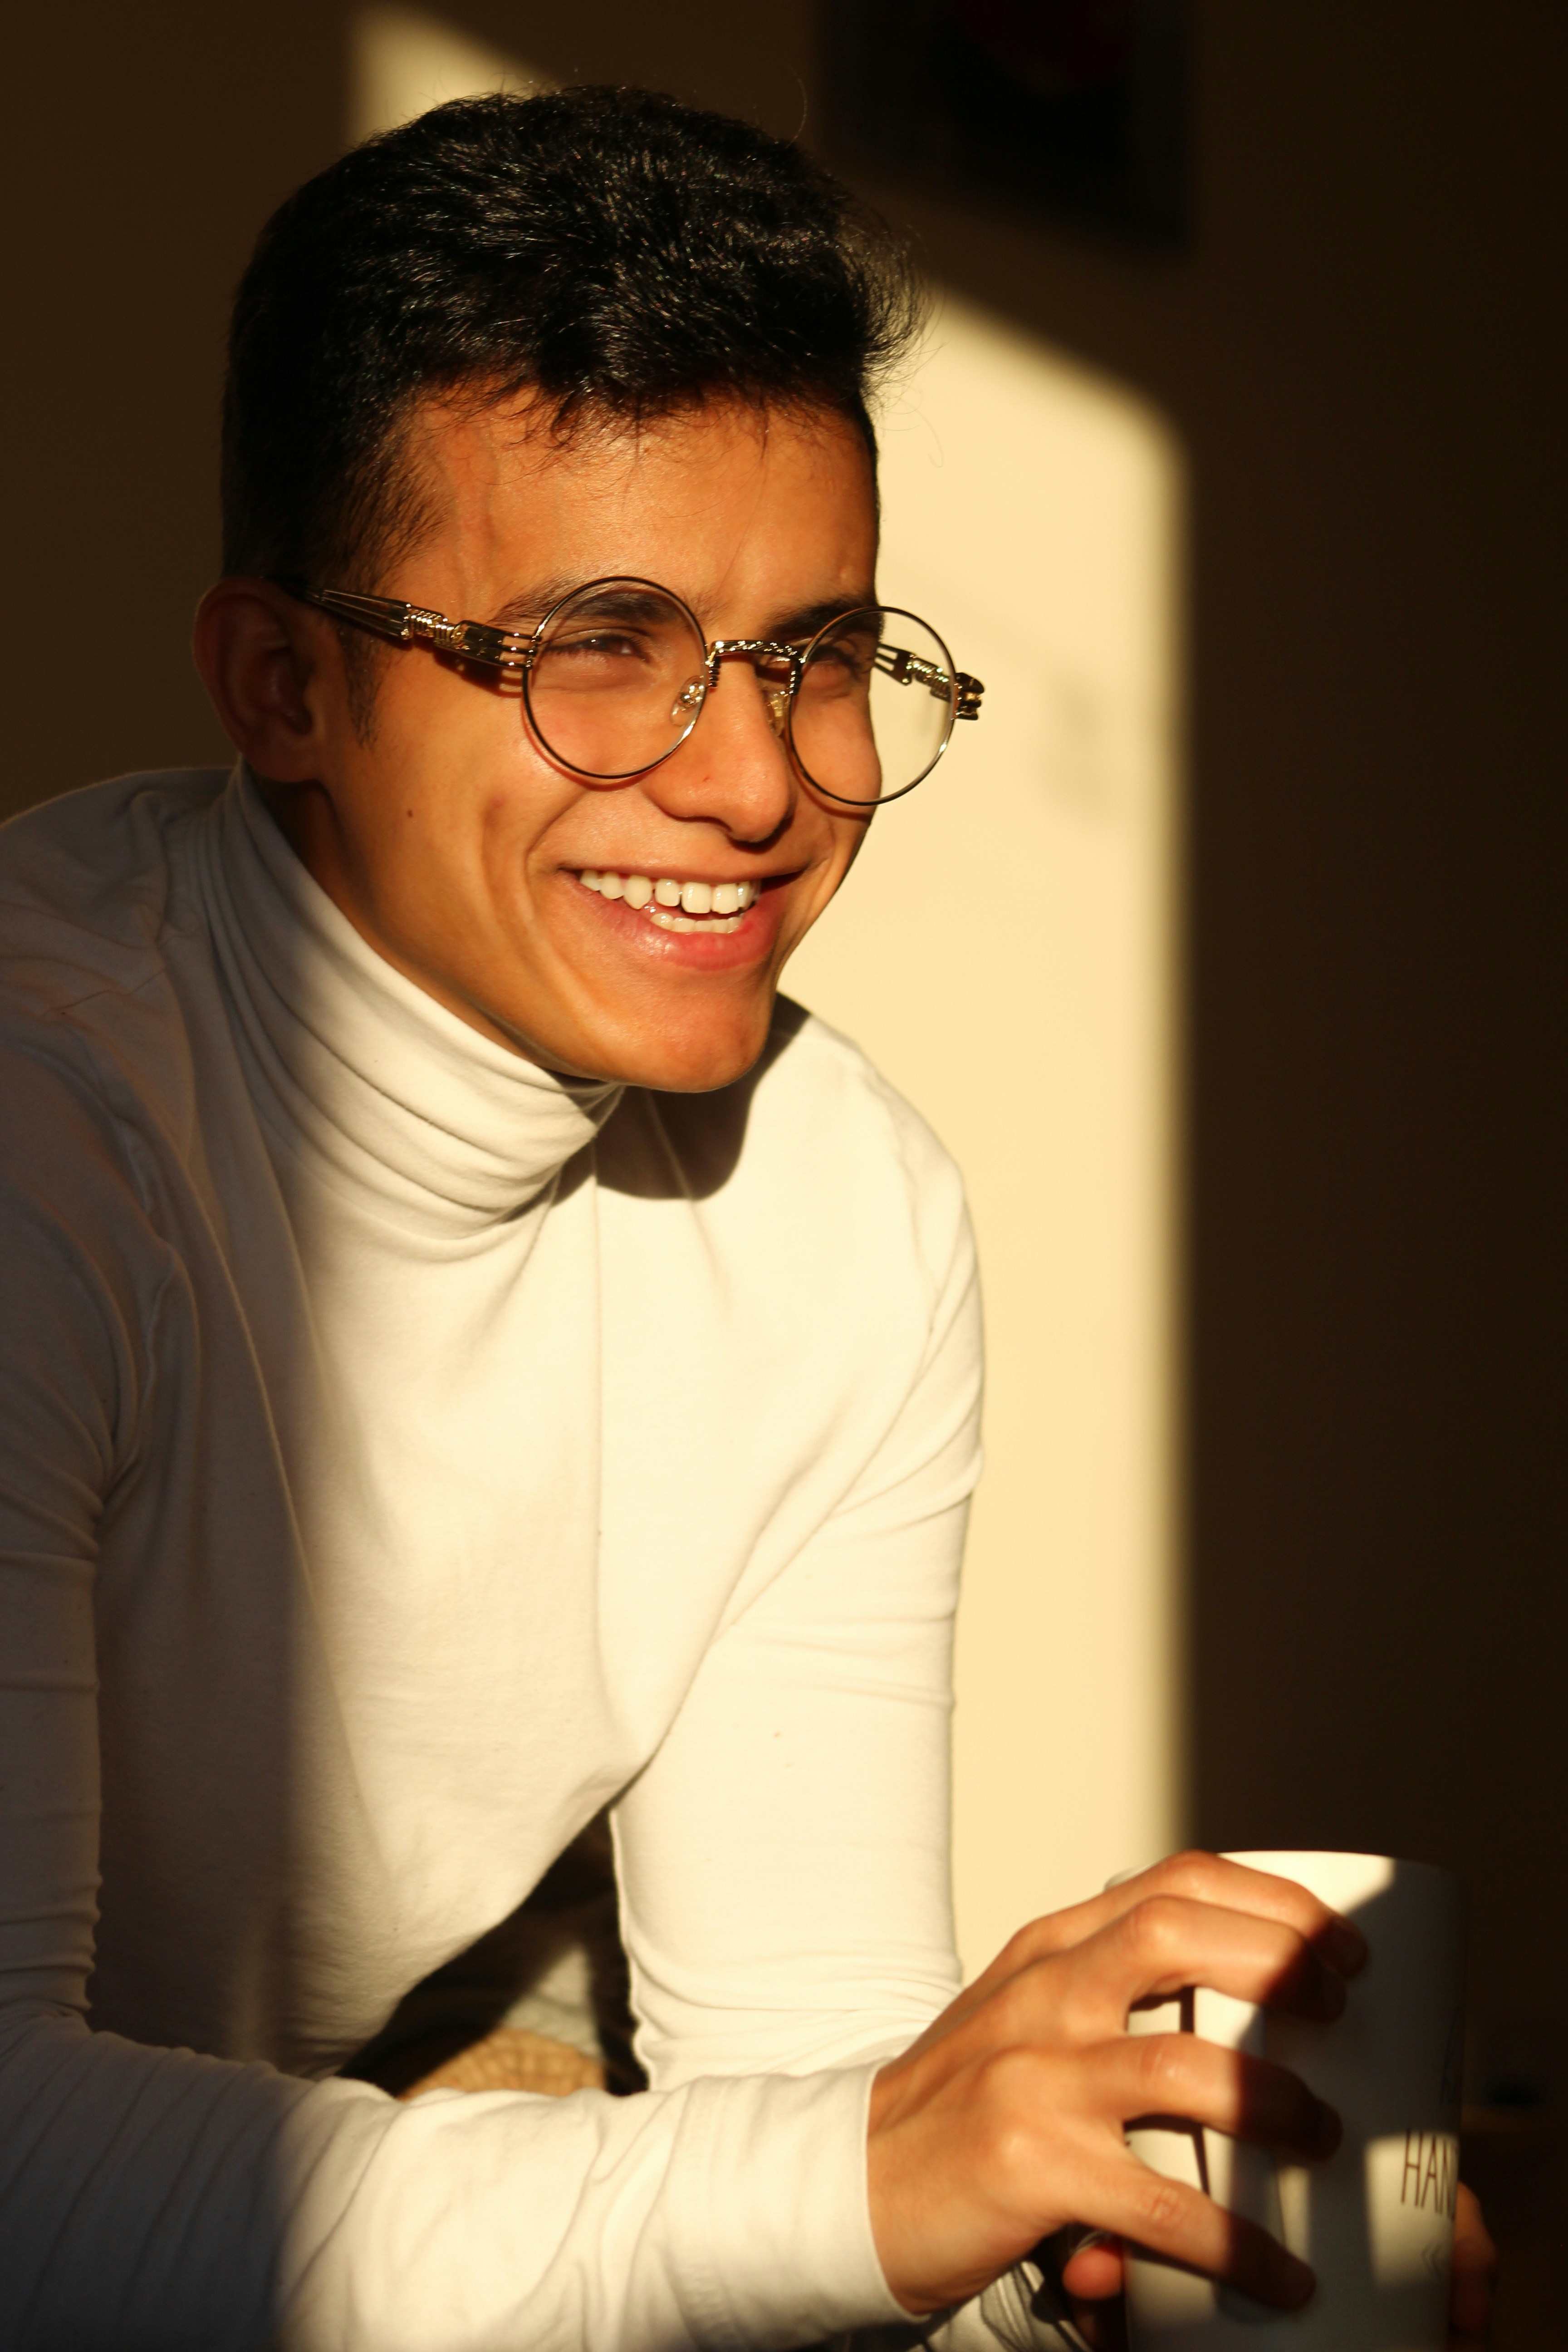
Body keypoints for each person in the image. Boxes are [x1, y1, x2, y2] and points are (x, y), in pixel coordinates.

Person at [0, 86, 1492, 2349]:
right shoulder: (51, 1122)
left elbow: (793, 2095)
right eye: (602, 647)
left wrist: (1086, 2247)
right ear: (281, 685)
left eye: (819, 653)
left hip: (366, 2119)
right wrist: (847, 2169)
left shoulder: (844, 1211)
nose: (759, 780)